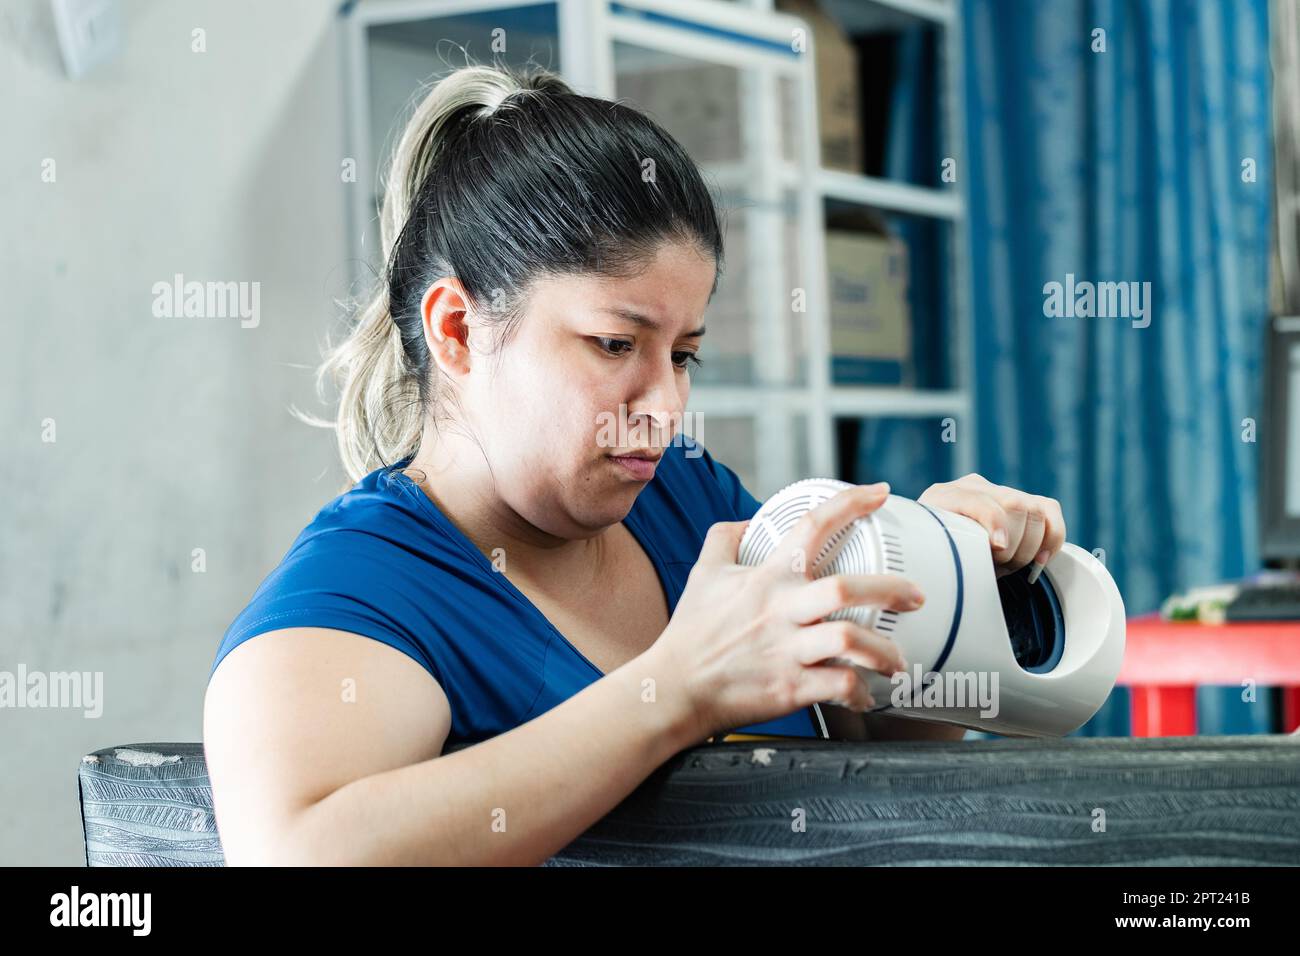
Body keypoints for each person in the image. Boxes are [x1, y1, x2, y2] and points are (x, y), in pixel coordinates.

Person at [203, 63, 1066, 866]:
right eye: (615, 343)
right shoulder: (369, 590)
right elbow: (292, 850)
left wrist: (948, 584)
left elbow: (864, 752)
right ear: (458, 330)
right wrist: (676, 690)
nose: (666, 408)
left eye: (683, 355)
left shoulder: (686, 502)